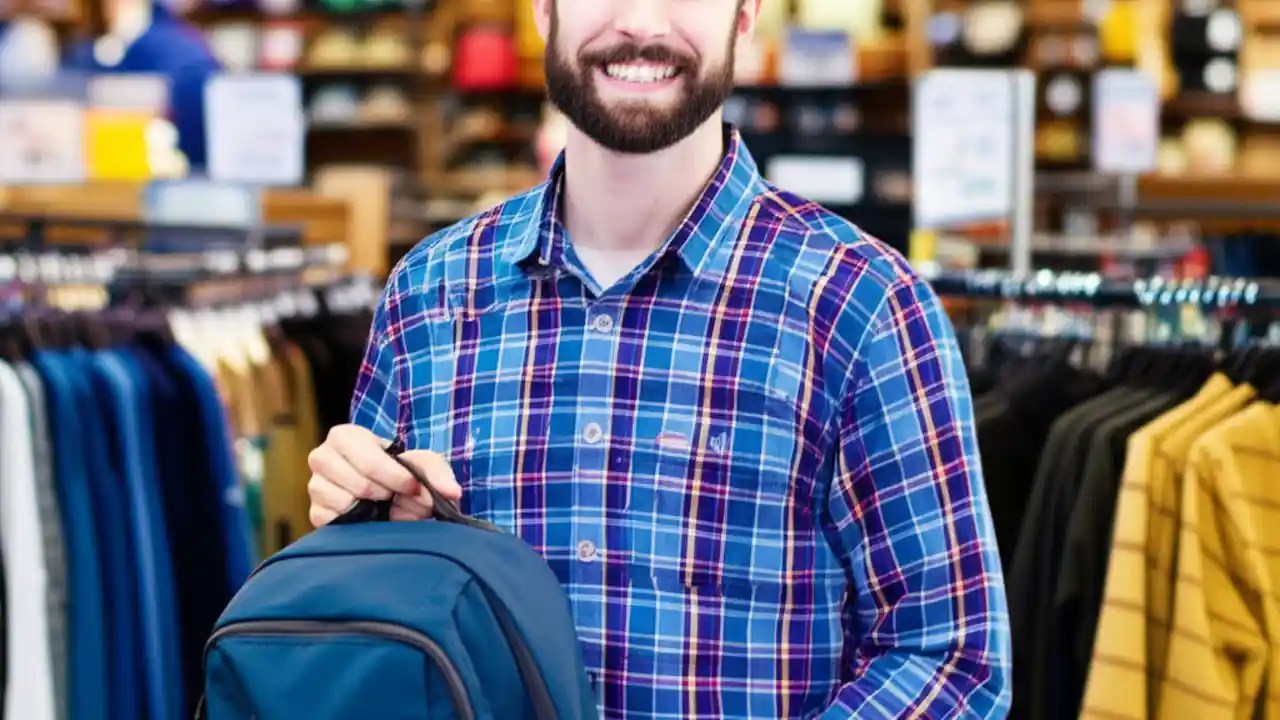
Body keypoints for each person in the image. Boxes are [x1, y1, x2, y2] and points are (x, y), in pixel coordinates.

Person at [306, 0, 1012, 716]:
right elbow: (379, 632)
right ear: (544, 10)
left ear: (745, 14)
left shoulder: (862, 305)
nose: (642, 21)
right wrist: (358, 526)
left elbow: (952, 661)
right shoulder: (429, 292)